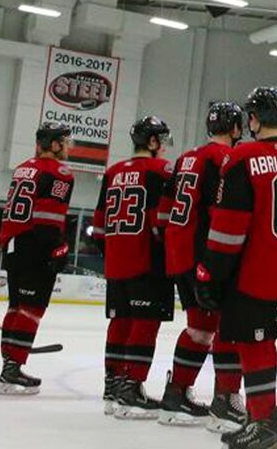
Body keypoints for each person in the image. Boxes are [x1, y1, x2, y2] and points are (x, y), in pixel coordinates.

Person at [194, 86, 277, 449]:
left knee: (254, 346)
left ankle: (264, 426)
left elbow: (228, 227)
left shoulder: (242, 158)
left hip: (255, 271)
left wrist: (210, 271)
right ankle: (259, 420)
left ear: (252, 119)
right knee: (262, 343)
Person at [160, 102, 246, 430]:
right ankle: (225, 399)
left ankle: (176, 394)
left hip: (180, 253)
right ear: (235, 128)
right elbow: (223, 210)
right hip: (208, 256)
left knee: (199, 328)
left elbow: (165, 210)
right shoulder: (223, 159)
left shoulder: (186, 158)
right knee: (229, 327)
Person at [95, 115, 176, 419]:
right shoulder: (162, 170)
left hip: (117, 261)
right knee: (145, 323)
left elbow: (98, 224)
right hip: (148, 259)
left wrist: (114, 251)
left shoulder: (114, 171)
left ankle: (113, 385)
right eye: (162, 140)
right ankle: (132, 388)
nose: (165, 147)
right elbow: (162, 218)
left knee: (120, 322)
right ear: (152, 142)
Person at [0, 122, 75, 395]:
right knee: (31, 308)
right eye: (64, 141)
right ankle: (12, 369)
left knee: (16, 306)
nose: (68, 147)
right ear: (53, 145)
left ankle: (9, 363)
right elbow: (48, 217)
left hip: (13, 243)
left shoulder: (23, 167)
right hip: (35, 243)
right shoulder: (60, 173)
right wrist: (58, 247)